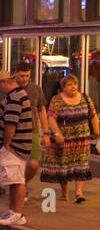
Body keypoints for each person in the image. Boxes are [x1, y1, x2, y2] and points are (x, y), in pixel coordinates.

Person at [0, 69, 35, 226]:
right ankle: (12, 211)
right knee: (12, 180)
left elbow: (11, 123)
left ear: (4, 82)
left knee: (17, 181)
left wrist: (6, 144)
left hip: (14, 146)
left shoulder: (15, 97)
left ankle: (17, 213)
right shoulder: (14, 95)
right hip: (14, 145)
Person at [45, 75, 97, 204]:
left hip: (82, 138)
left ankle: (79, 193)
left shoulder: (85, 98)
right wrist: (57, 134)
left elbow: (93, 115)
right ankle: (64, 193)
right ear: (63, 87)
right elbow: (51, 118)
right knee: (65, 165)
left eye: (74, 84)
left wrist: (96, 131)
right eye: (69, 84)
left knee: (82, 164)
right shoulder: (57, 100)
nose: (73, 86)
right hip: (65, 138)